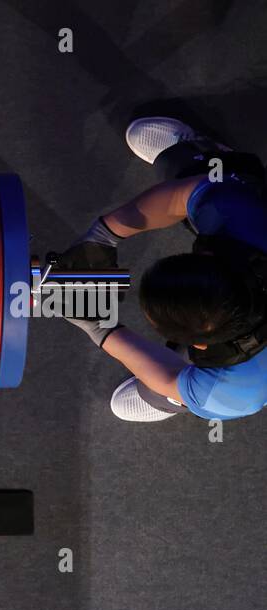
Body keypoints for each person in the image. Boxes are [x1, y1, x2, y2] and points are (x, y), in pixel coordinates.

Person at [57, 116, 267, 422]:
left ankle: (173, 401)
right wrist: (103, 235)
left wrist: (98, 326)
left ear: (199, 343)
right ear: (210, 257)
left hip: (236, 381)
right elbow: (181, 197)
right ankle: (206, 156)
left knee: (175, 387)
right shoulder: (243, 217)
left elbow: (169, 376)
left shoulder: (236, 390)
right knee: (216, 177)